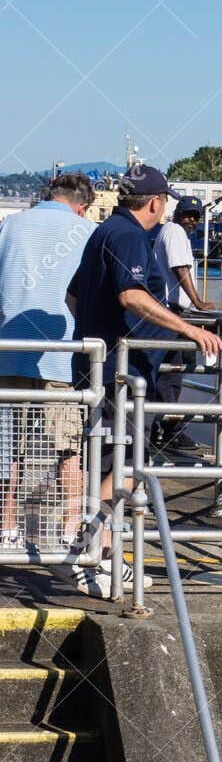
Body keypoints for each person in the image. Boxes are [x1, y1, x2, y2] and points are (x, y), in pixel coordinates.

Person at [66, 165, 222, 594]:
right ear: (156, 201)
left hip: (103, 367)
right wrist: (188, 329)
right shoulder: (130, 236)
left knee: (110, 463)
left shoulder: (104, 231)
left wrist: (96, 332)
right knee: (127, 466)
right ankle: (89, 553)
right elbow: (131, 295)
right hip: (123, 373)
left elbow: (73, 295)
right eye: (165, 201)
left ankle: (99, 554)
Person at [0, 172, 96, 549]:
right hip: (63, 354)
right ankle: (70, 526)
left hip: (8, 350)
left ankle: (7, 522)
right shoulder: (87, 232)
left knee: (8, 446)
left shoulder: (11, 225)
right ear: (82, 205)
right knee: (67, 447)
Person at [153, 196, 212, 451]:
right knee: (171, 374)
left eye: (195, 216)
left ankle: (160, 429)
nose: (191, 220)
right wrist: (197, 302)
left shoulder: (172, 232)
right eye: (187, 214)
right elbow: (180, 268)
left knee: (167, 373)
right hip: (170, 312)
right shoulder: (175, 231)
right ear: (177, 213)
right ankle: (170, 431)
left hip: (170, 311)